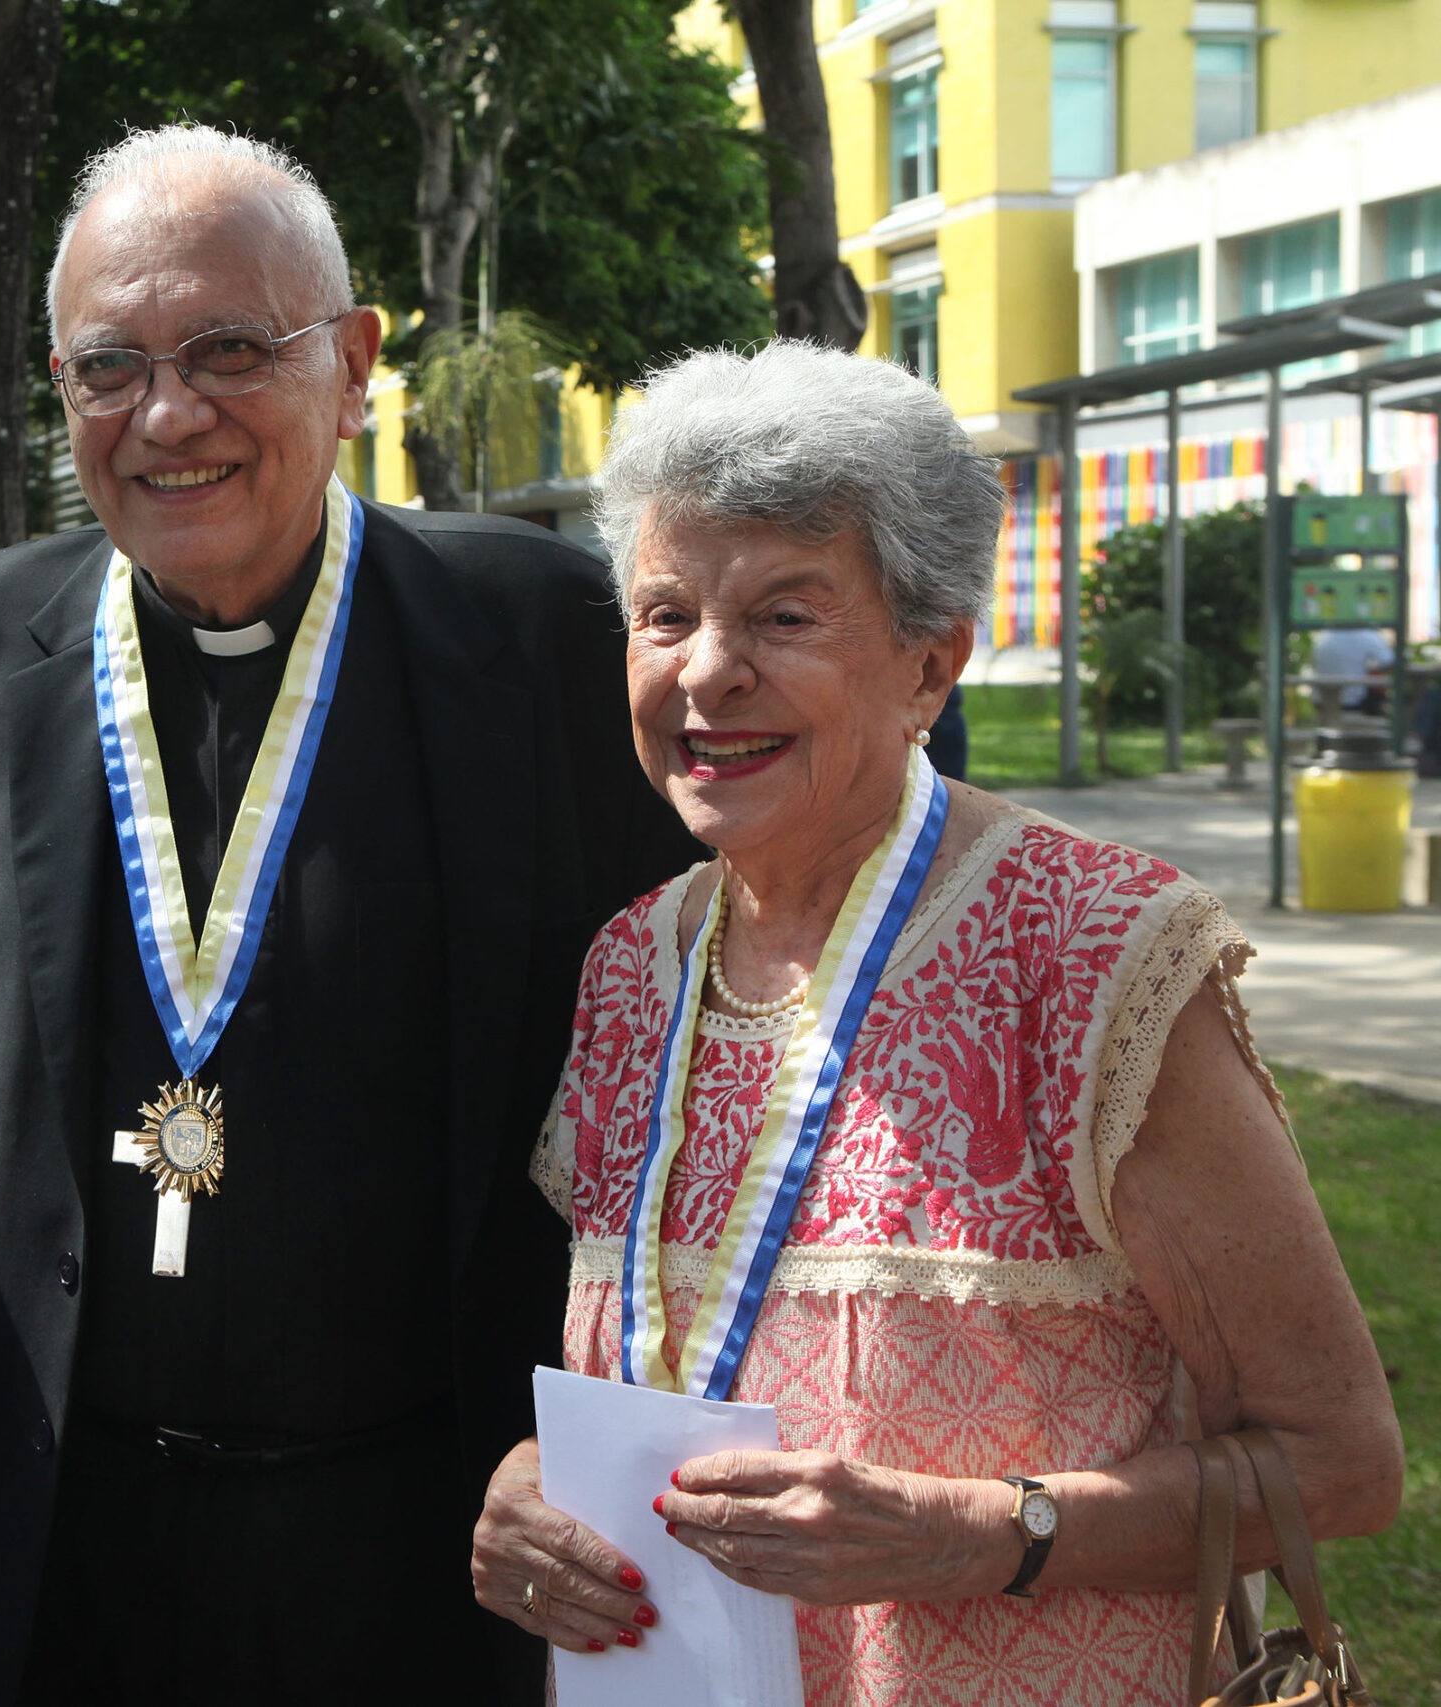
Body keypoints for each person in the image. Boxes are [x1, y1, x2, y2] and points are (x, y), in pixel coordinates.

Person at [0, 123, 696, 1707]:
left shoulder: (546, 645)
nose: (169, 415)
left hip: (427, 1536)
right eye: (112, 366)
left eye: (231, 348)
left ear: (355, 360)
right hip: (54, 1541)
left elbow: (687, 1040)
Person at [470, 344, 1402, 1703]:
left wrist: (986, 1532)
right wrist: (527, 1486)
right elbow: (634, 1365)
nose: (708, 673)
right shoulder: (635, 968)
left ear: (930, 665)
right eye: (665, 615)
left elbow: (1345, 1460)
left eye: (786, 617)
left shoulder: (1102, 957)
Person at [1311, 624, 1392, 719]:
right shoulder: (1366, 635)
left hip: (1322, 703)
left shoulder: (1323, 635)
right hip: (1355, 703)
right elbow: (1389, 662)